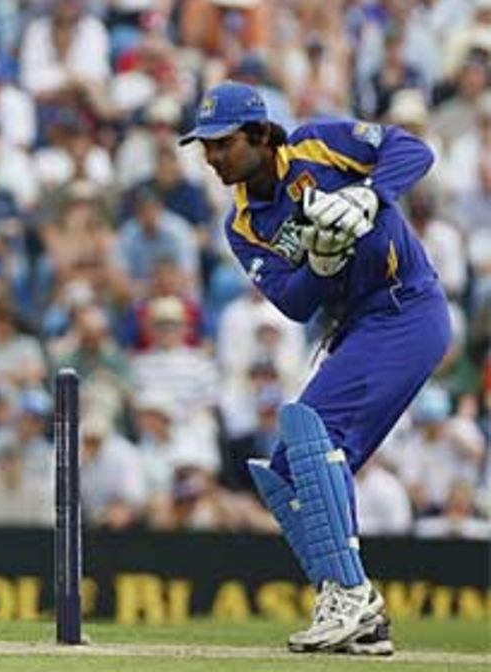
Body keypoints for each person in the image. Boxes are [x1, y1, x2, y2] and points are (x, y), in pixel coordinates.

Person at [179, 80, 450, 656]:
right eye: (205, 146)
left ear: (258, 133)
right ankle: (353, 608)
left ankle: (352, 595)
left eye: (222, 143)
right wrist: (323, 262)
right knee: (285, 466)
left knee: (313, 429)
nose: (212, 157)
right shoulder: (244, 224)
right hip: (355, 326)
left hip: (407, 306)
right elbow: (294, 301)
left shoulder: (318, 144)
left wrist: (369, 196)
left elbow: (414, 151)